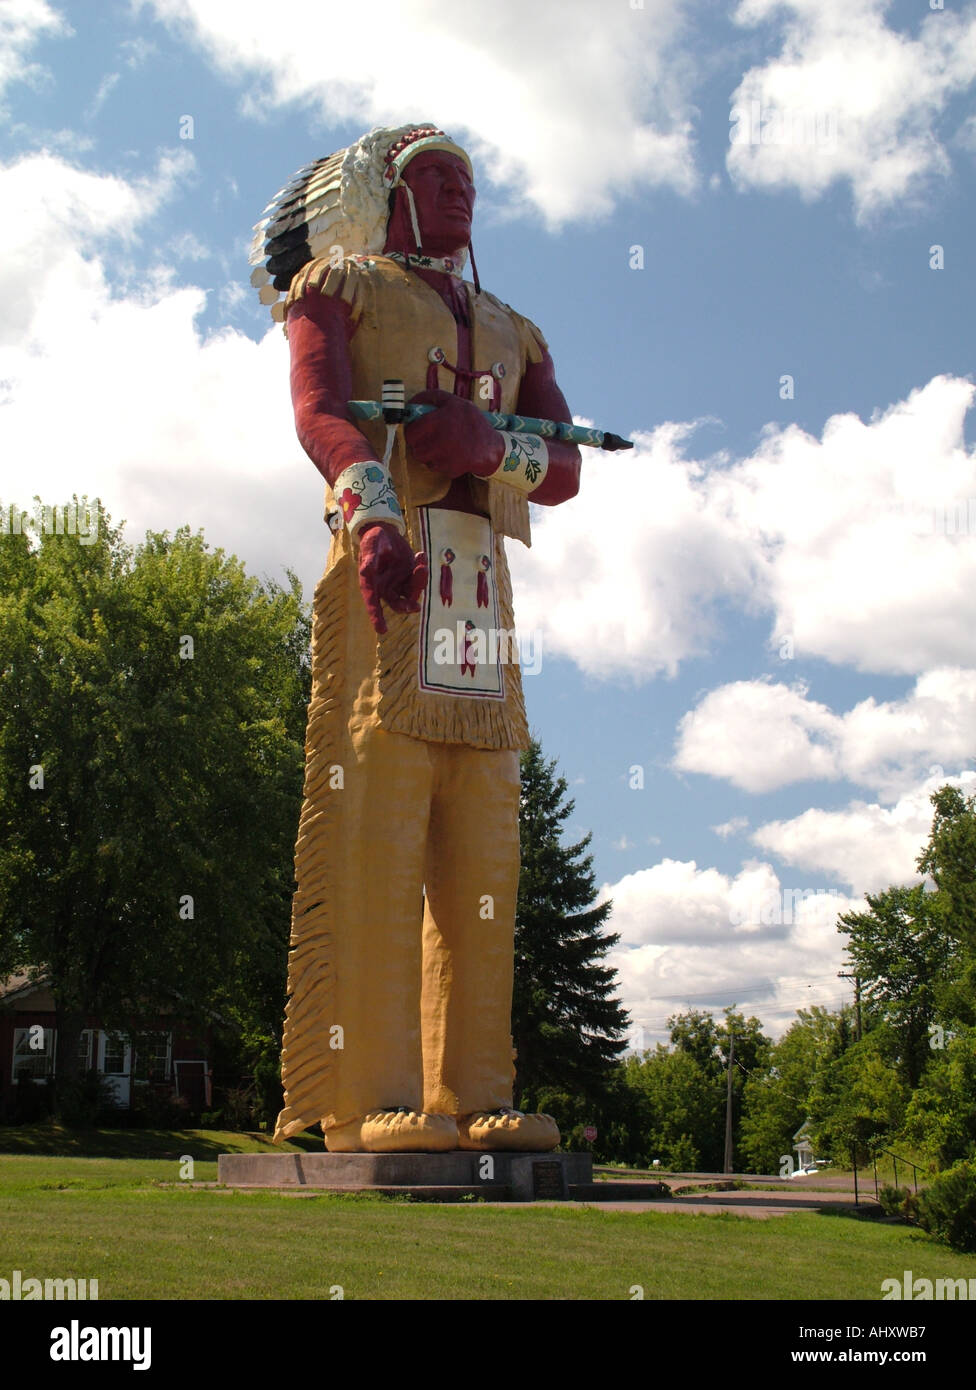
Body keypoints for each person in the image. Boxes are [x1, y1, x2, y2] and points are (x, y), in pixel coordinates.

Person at [253, 124, 581, 1152]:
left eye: (468, 179)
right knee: (379, 825)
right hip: (385, 578)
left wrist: (492, 446)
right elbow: (316, 412)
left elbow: (565, 463)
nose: (458, 193)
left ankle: (476, 1090)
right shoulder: (337, 285)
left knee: (483, 837)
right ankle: (361, 1093)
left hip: (477, 593)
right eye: (435, 176)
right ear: (387, 189)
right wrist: (373, 509)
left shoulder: (514, 329)